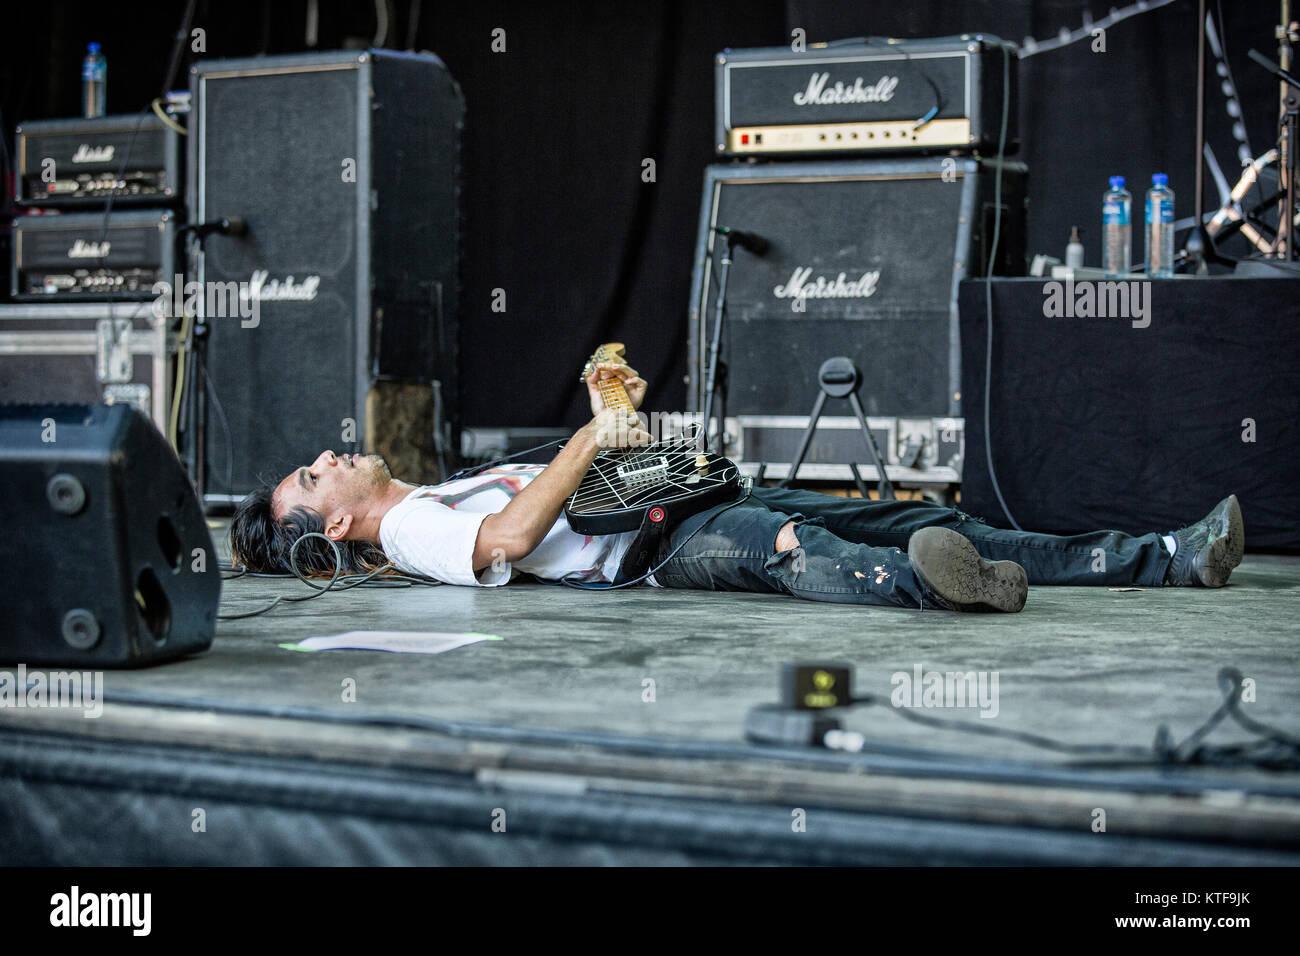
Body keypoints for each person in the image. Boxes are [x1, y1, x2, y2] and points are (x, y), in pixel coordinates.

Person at [230, 361, 1245, 613]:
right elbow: (508, 537)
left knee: (925, 511)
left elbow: (538, 497)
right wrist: (595, 429)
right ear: (333, 528)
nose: (330, 455)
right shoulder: (409, 528)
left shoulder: (423, 494)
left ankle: (1171, 553)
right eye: (315, 476)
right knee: (794, 550)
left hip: (675, 507)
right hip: (661, 551)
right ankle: (938, 585)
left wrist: (604, 413)